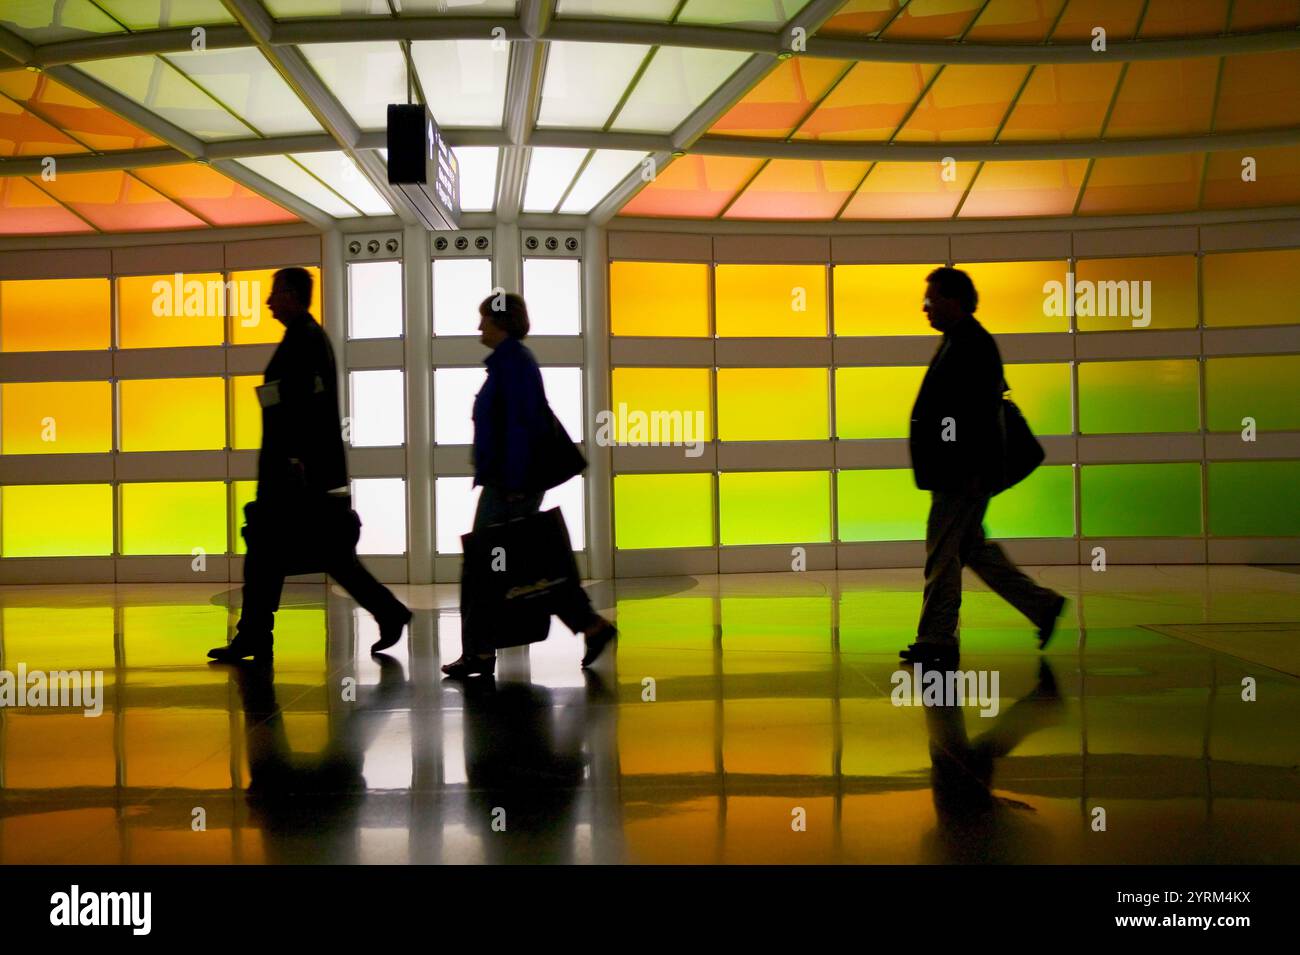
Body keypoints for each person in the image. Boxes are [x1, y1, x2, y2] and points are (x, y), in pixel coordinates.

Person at [209, 267, 411, 663]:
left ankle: (255, 636)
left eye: (275, 293)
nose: (269, 301)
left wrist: (292, 459)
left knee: (273, 551)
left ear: (292, 294)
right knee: (313, 555)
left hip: (294, 477)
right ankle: (386, 612)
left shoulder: (304, 340)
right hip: (302, 474)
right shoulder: (305, 337)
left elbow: (301, 405)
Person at [441, 292, 616, 678]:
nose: (478, 327)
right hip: (507, 481)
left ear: (501, 322)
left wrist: (516, 484)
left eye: (484, 319)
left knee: (487, 567)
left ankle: (480, 653)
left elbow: (522, 427)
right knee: (528, 562)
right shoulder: (508, 363)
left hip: (509, 484)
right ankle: (591, 626)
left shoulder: (514, 363)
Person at [902, 267, 1066, 666]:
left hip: (961, 474)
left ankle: (937, 637)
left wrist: (973, 471)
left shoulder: (971, 345)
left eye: (933, 299)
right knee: (972, 548)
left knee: (942, 552)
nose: (926, 307)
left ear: (956, 301)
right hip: (960, 471)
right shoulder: (961, 341)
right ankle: (1042, 606)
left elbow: (979, 416)